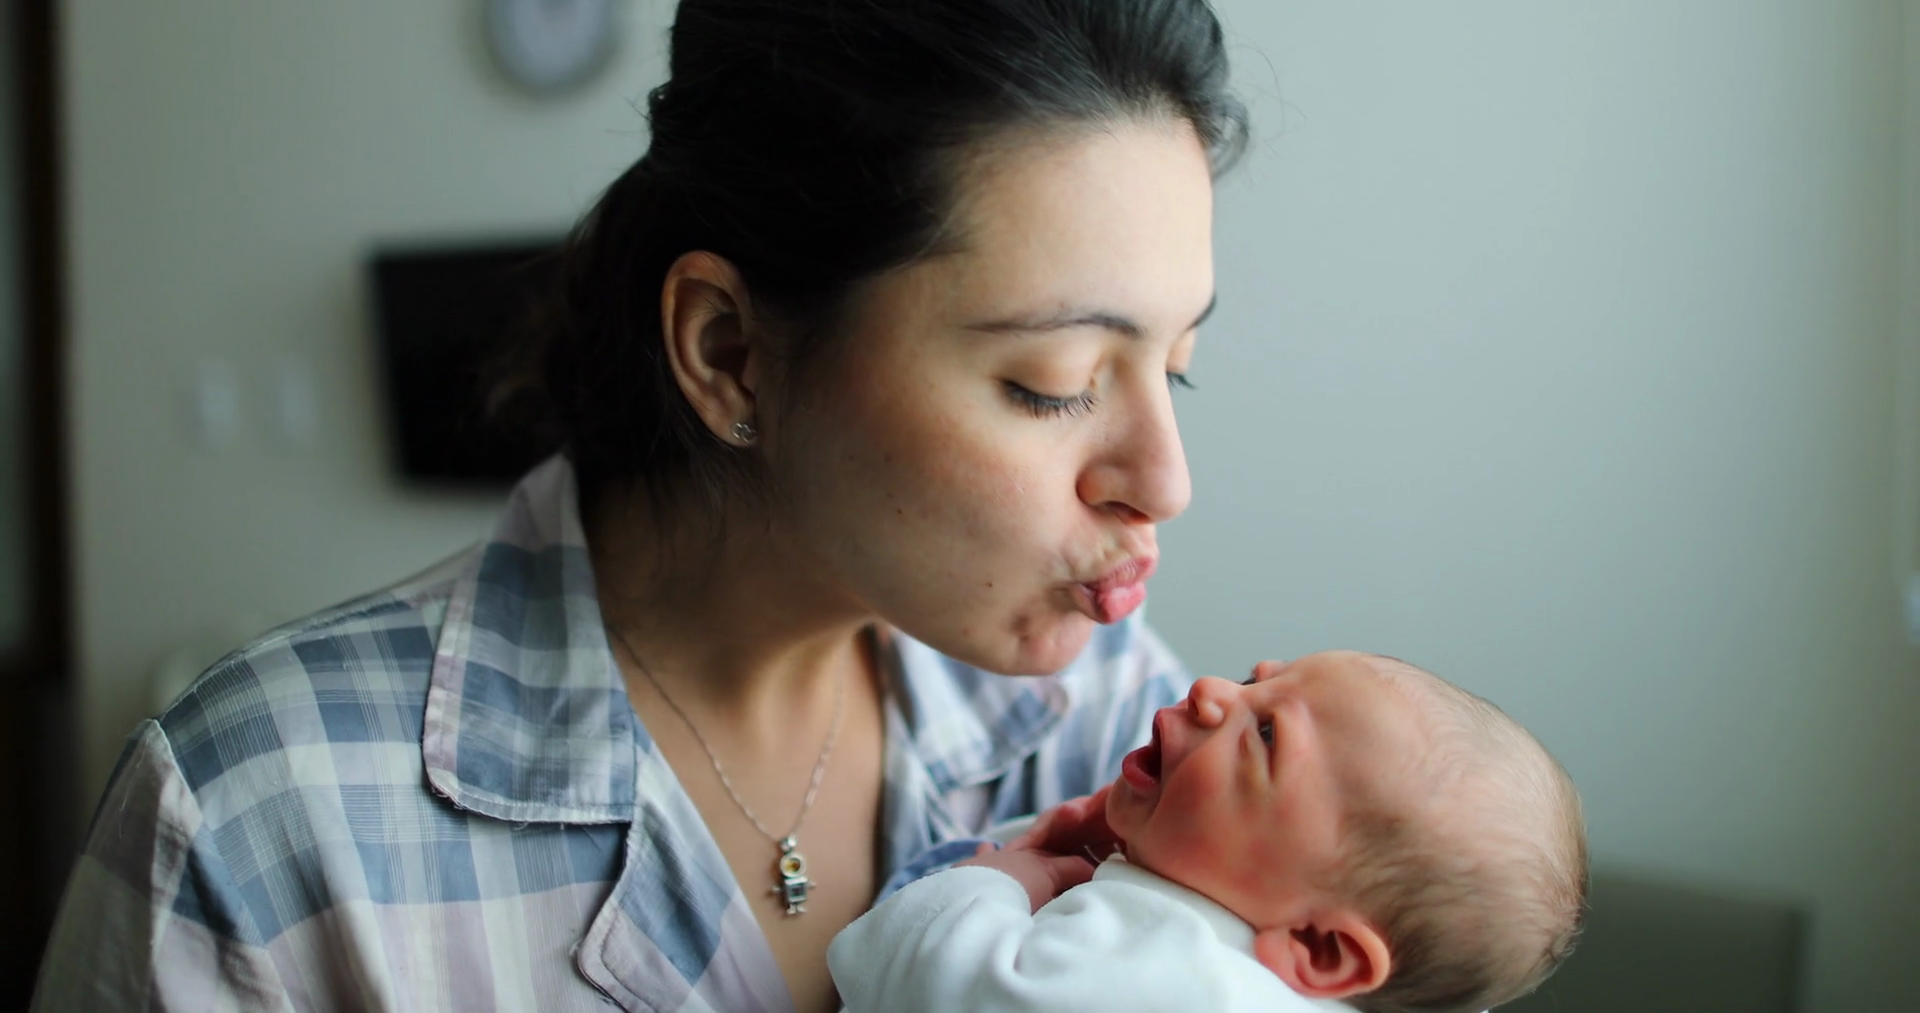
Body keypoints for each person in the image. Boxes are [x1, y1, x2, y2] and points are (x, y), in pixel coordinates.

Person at [31, 1, 1246, 1010]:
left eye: (1178, 365)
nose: (1169, 480)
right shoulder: (260, 826)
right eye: (1055, 384)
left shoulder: (1120, 724)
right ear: (729, 352)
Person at [829, 652, 1589, 1013]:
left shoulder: (1175, 977)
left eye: (1266, 733)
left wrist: (1005, 878)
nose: (1210, 690)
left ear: (1320, 948)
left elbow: (910, 975)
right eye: (1257, 680)